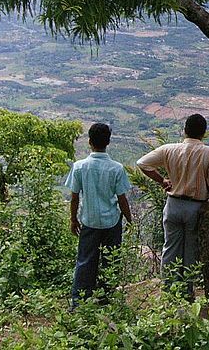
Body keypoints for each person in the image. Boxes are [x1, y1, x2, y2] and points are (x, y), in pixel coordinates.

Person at [136, 113, 209, 297]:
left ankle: (169, 290)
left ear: (185, 130)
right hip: (195, 207)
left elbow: (142, 163)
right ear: (203, 133)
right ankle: (187, 291)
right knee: (190, 249)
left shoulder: (169, 149)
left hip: (173, 204)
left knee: (170, 247)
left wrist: (162, 181)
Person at [66, 122, 132, 307]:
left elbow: (74, 197)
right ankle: (105, 301)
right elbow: (122, 199)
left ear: (89, 142)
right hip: (111, 222)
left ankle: (79, 303)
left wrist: (73, 219)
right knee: (110, 261)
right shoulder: (117, 168)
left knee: (85, 261)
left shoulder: (79, 167)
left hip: (89, 221)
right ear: (108, 142)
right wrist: (129, 218)